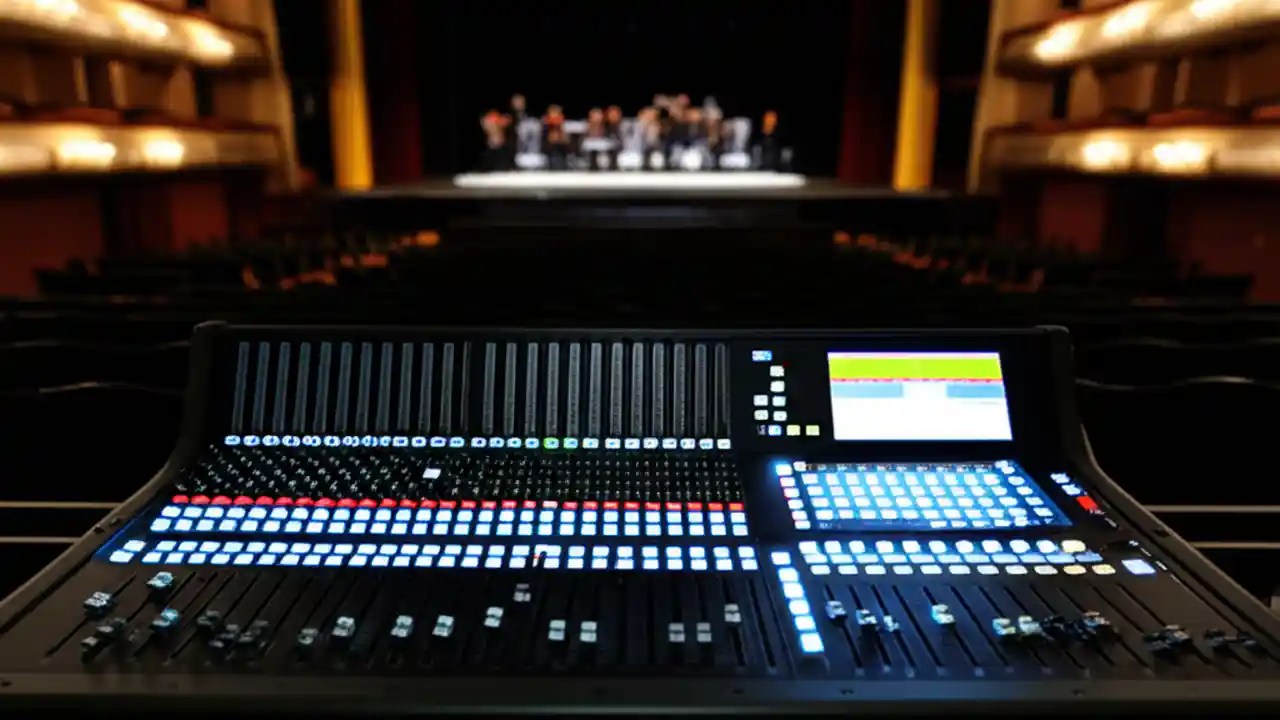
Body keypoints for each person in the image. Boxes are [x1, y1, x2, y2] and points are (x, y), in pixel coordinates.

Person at [543, 104, 569, 170]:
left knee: (564, 145)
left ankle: (564, 164)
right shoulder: (547, 118)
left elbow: (562, 128)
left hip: (560, 138)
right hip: (549, 139)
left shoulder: (561, 117)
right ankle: (550, 165)